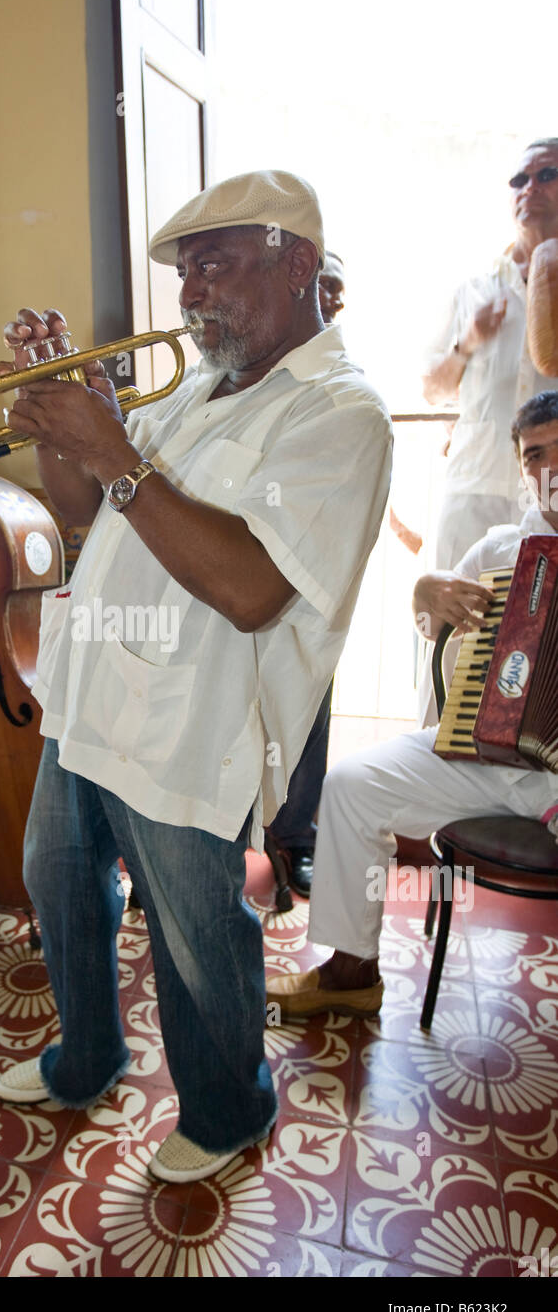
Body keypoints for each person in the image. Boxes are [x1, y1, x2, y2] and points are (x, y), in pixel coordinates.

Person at [0, 170, 392, 1184]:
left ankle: (226, 1107)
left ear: (295, 261)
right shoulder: (196, 381)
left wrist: (115, 448)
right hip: (90, 699)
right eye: (182, 273)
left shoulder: (341, 416)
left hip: (188, 728)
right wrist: (60, 423)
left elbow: (252, 588)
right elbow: (82, 506)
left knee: (198, 941)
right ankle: (84, 1059)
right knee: (60, 883)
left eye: (212, 264)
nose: (191, 293)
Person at [266, 391, 558, 1020]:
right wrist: (423, 593)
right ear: (521, 469)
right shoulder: (500, 551)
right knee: (350, 783)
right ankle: (351, 970)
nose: (550, 467)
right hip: (487, 756)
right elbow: (434, 623)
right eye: (536, 454)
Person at [422, 139, 558, 570]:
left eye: (546, 175)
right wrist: (468, 342)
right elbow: (431, 388)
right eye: (519, 179)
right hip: (471, 489)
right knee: (450, 627)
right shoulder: (474, 288)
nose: (529, 188)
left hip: (550, 495)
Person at [266, 249, 345, 897]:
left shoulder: (344, 383)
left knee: (312, 709)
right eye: (325, 287)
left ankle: (296, 838)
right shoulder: (257, 366)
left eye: (341, 291)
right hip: (246, 563)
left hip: (312, 573)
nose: (333, 300)